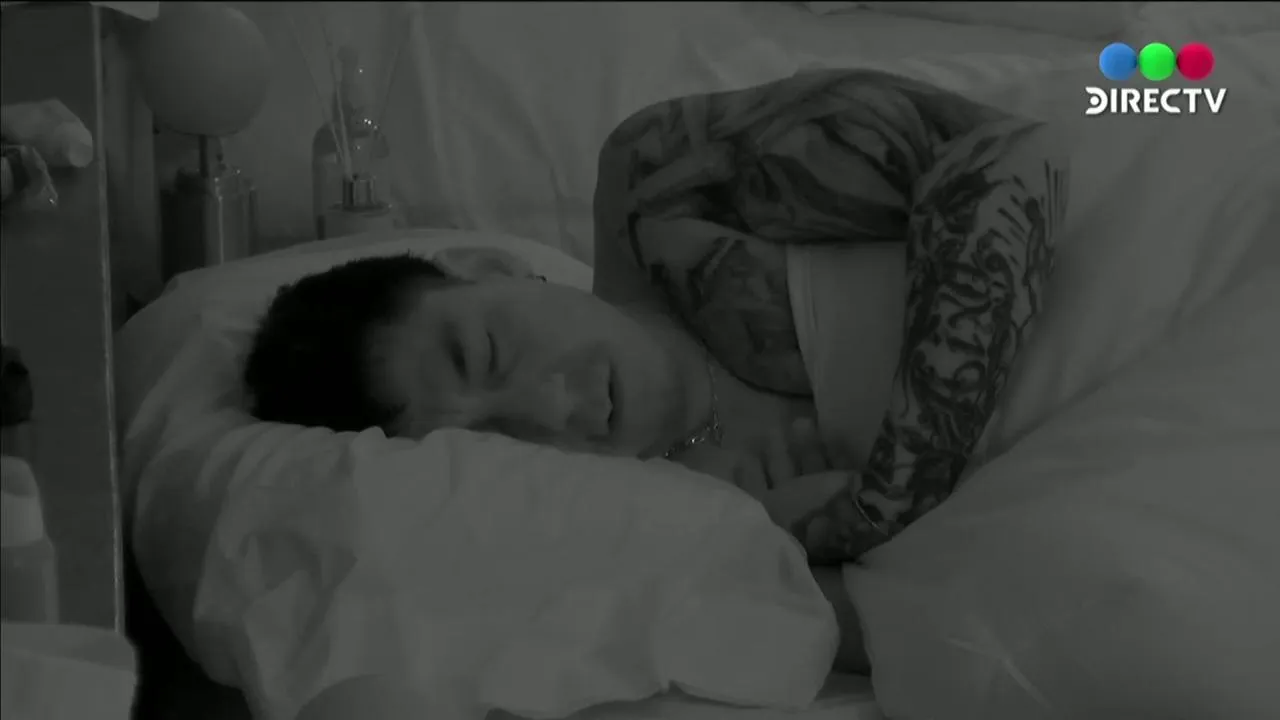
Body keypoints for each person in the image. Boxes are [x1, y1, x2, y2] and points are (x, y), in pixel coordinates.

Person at [244, 69, 1067, 673]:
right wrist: (788, 547)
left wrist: (882, 504)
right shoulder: (683, 528)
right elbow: (969, 641)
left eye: (488, 352)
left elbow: (999, 158)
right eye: (498, 439)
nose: (550, 410)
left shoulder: (658, 191)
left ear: (492, 267)